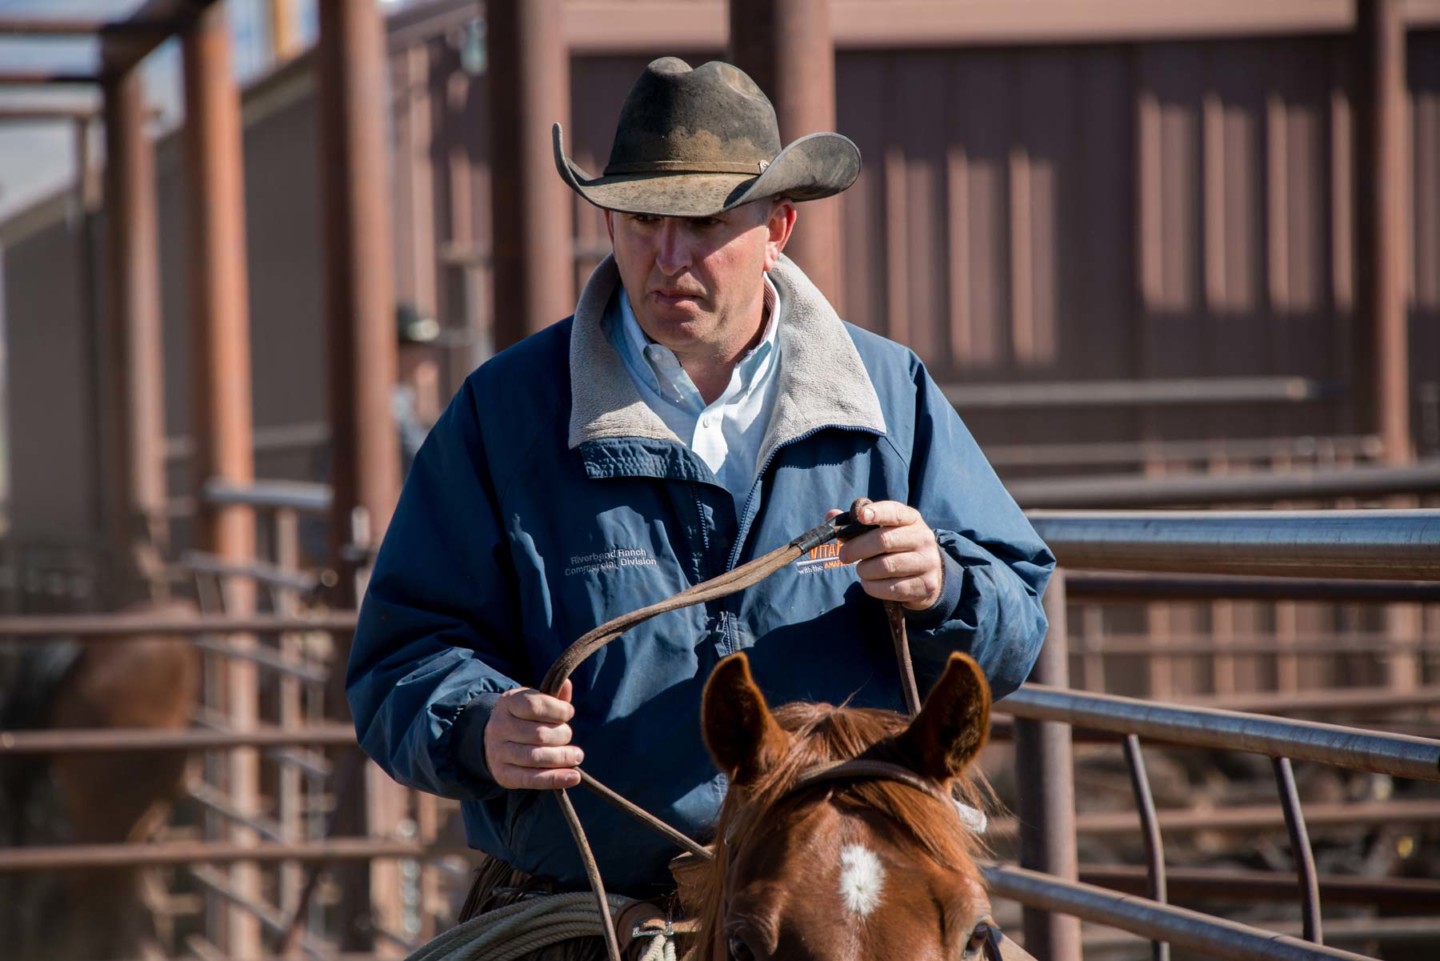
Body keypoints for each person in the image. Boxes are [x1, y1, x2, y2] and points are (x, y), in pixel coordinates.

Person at [347, 57, 1054, 906]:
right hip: (588, 899)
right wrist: (476, 725)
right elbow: (401, 656)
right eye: (643, 217)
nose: (668, 255)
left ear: (778, 227)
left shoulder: (887, 394)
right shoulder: (505, 413)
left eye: (707, 222)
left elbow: (1017, 622)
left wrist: (943, 586)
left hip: (838, 901)